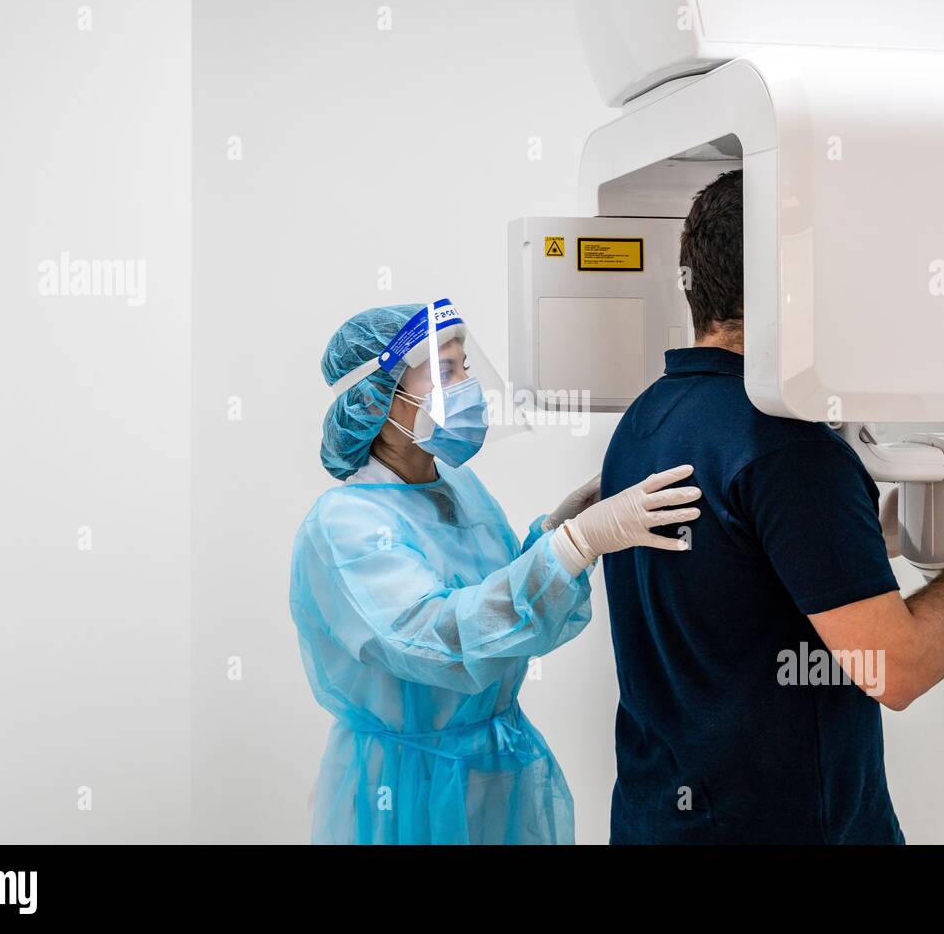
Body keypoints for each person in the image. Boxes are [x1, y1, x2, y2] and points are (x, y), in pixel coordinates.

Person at [600, 170, 944, 844]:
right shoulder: (789, 450)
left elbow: (738, 575)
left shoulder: (648, 417)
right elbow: (892, 669)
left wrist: (871, 536)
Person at [290, 301, 701, 844]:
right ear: (376, 398)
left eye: (466, 366)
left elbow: (496, 602)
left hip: (492, 768)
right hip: (406, 786)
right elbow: (444, 641)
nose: (468, 385)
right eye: (445, 371)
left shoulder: (457, 488)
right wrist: (574, 546)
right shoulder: (345, 525)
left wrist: (557, 531)